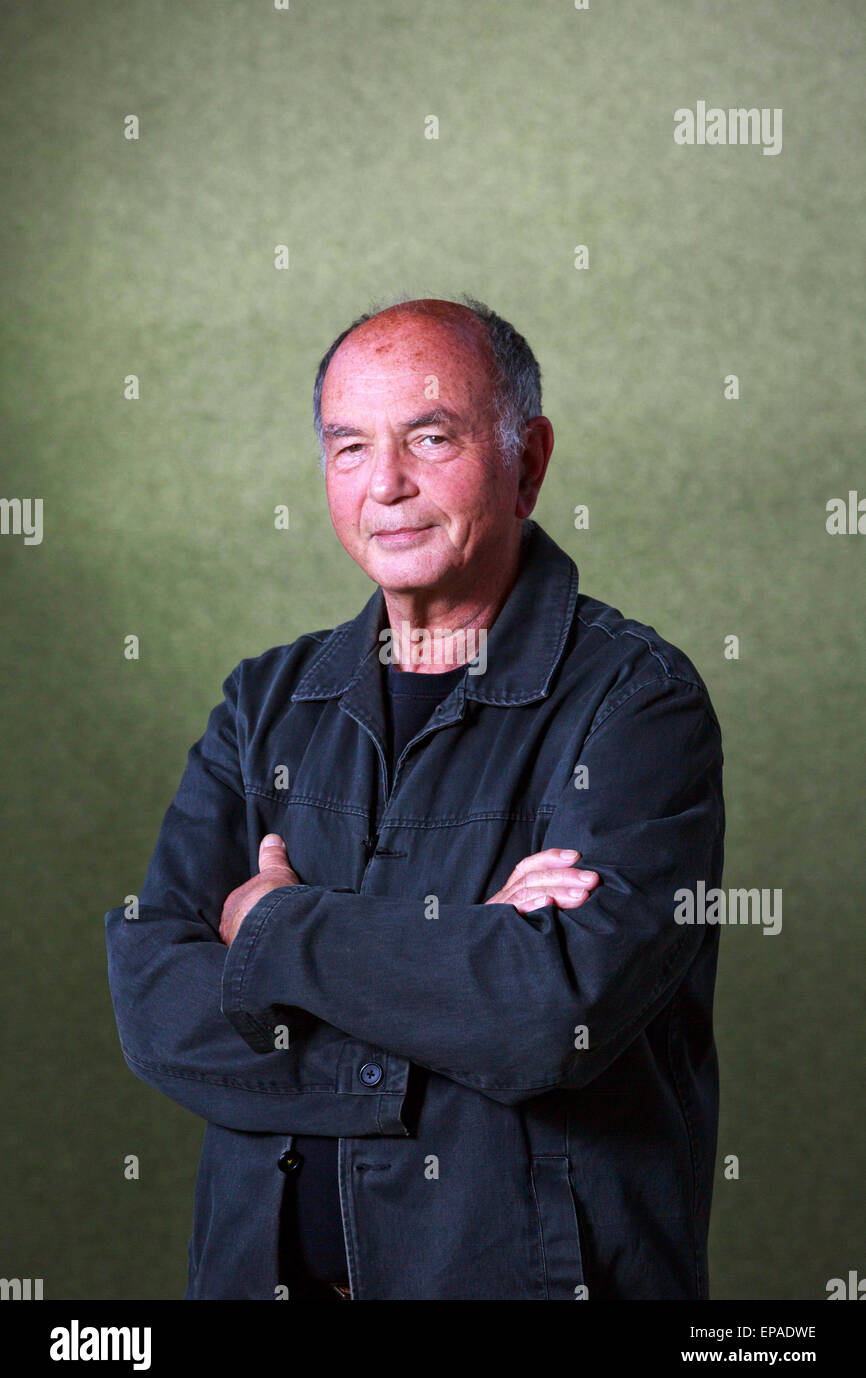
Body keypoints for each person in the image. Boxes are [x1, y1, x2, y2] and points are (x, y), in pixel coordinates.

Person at [105, 294, 725, 1300]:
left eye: (428, 437)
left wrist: (273, 925)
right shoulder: (261, 702)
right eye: (348, 446)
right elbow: (154, 1006)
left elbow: (545, 1018)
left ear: (528, 458)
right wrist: (453, 968)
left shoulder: (634, 700)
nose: (384, 484)